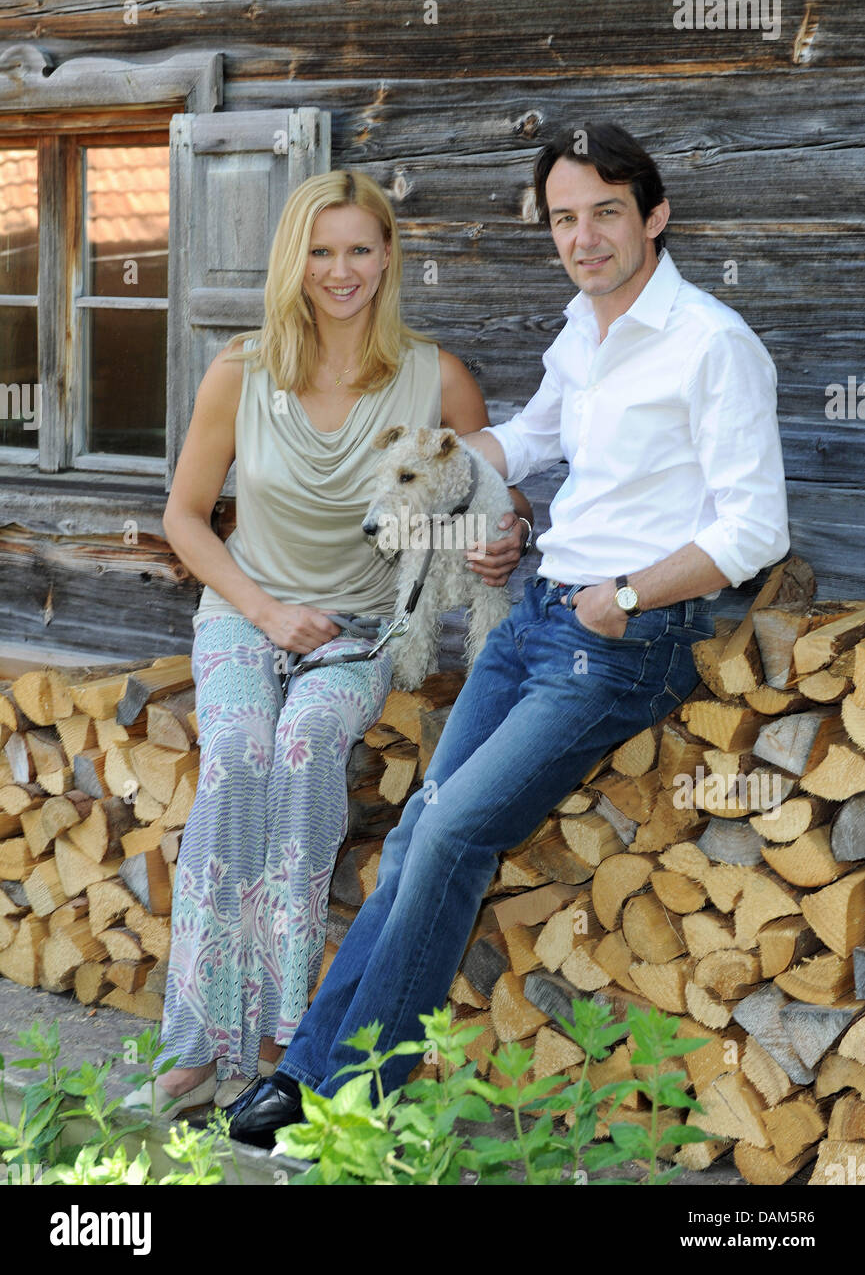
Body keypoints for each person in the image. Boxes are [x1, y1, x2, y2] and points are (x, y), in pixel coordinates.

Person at [229, 120, 790, 1147]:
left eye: (605, 214)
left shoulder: (711, 344)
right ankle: (304, 1077)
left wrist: (625, 594)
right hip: (537, 618)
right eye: (564, 219)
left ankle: (355, 1109)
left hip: (622, 640)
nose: (583, 238)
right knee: (415, 832)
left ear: (654, 217)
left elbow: (755, 529)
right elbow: (533, 435)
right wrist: (441, 470)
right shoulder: (585, 327)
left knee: (453, 834)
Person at [125, 169, 531, 1117]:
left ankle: (279, 1040)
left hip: (362, 629)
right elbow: (184, 518)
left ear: (387, 257)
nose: (339, 271)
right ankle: (194, 1045)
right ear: (292, 261)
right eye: (319, 251)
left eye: (358, 249)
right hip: (242, 612)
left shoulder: (436, 376)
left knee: (306, 749)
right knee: (235, 753)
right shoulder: (240, 371)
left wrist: (504, 535)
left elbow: (492, 496)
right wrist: (266, 613)